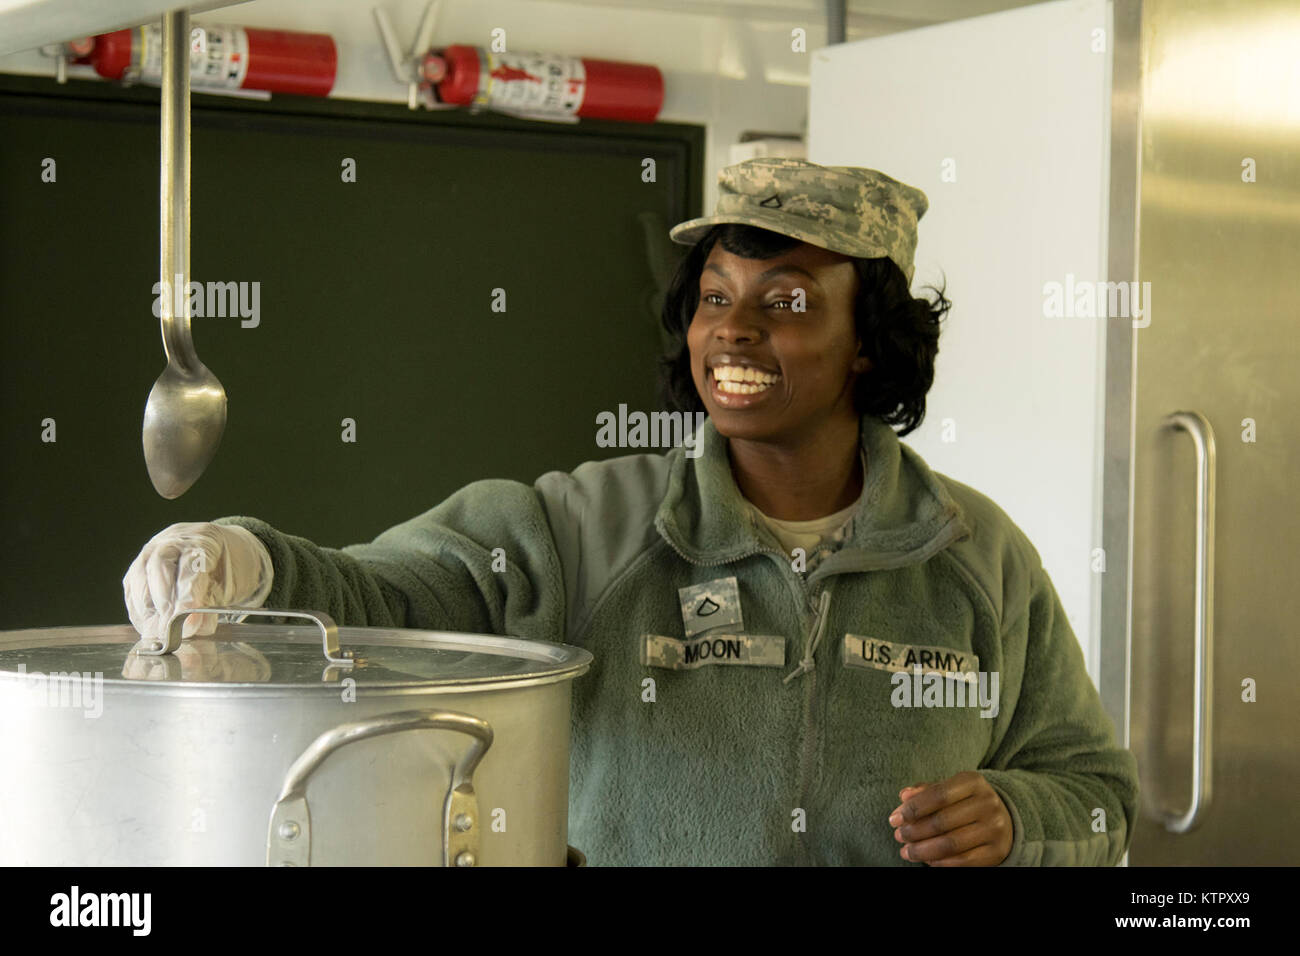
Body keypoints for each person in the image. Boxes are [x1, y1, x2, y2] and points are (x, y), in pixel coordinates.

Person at [123, 157, 1139, 866]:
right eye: (712, 295)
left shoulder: (971, 556)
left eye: (784, 302)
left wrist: (1017, 815)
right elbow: (394, 590)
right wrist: (244, 562)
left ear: (868, 341)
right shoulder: (584, 530)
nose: (732, 329)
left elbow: (1096, 790)